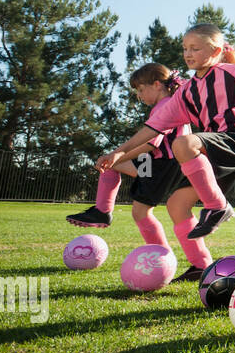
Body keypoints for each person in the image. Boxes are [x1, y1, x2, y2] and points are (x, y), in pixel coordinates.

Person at [97, 24, 235, 280]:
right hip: (210, 151)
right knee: (177, 205)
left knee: (183, 144)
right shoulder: (186, 92)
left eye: (195, 48)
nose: (188, 54)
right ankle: (200, 265)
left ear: (216, 50)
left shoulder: (234, 74)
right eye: (185, 48)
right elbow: (151, 129)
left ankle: (217, 206)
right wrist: (118, 154)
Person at [68, 64, 189, 254]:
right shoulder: (168, 104)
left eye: (141, 90)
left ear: (157, 85)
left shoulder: (165, 106)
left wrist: (117, 154)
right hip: (158, 162)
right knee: (112, 166)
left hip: (164, 165)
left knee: (140, 212)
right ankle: (102, 212)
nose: (139, 96)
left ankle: (160, 255)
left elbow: (151, 143)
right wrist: (115, 158)